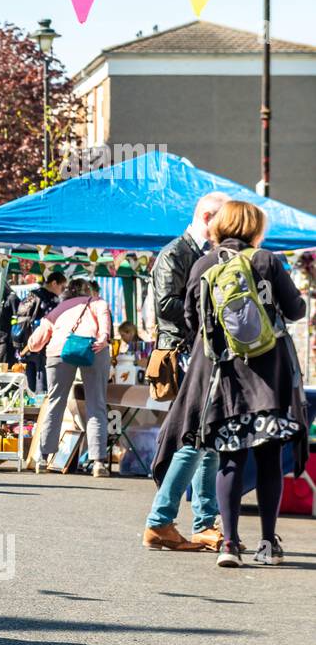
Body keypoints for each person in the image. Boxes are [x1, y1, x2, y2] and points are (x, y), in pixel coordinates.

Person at [154, 200, 306, 568]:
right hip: (268, 379)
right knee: (269, 460)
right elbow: (296, 309)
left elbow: (190, 319)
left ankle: (230, 544)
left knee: (230, 459)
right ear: (254, 228)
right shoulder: (267, 260)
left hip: (222, 380)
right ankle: (268, 543)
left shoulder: (204, 264)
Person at [142, 191, 229, 552]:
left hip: (196, 352)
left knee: (207, 440)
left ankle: (202, 520)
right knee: (196, 438)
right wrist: (208, 305)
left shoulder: (198, 254)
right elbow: (165, 306)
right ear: (207, 218)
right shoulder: (175, 253)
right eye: (223, 223)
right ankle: (164, 520)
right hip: (181, 354)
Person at [26, 277, 113, 477]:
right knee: (96, 403)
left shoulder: (61, 307)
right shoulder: (99, 302)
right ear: (88, 290)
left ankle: (44, 458)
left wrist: (30, 345)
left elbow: (38, 339)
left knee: (55, 401)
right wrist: (103, 338)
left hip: (59, 350)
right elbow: (104, 323)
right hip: (92, 348)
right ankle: (98, 462)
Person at [14, 271, 66, 394]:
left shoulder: (31, 295)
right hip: (42, 346)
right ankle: (39, 411)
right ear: (54, 283)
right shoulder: (50, 299)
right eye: (62, 287)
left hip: (25, 345)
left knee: (28, 385)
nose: (63, 290)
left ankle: (29, 410)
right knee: (42, 387)